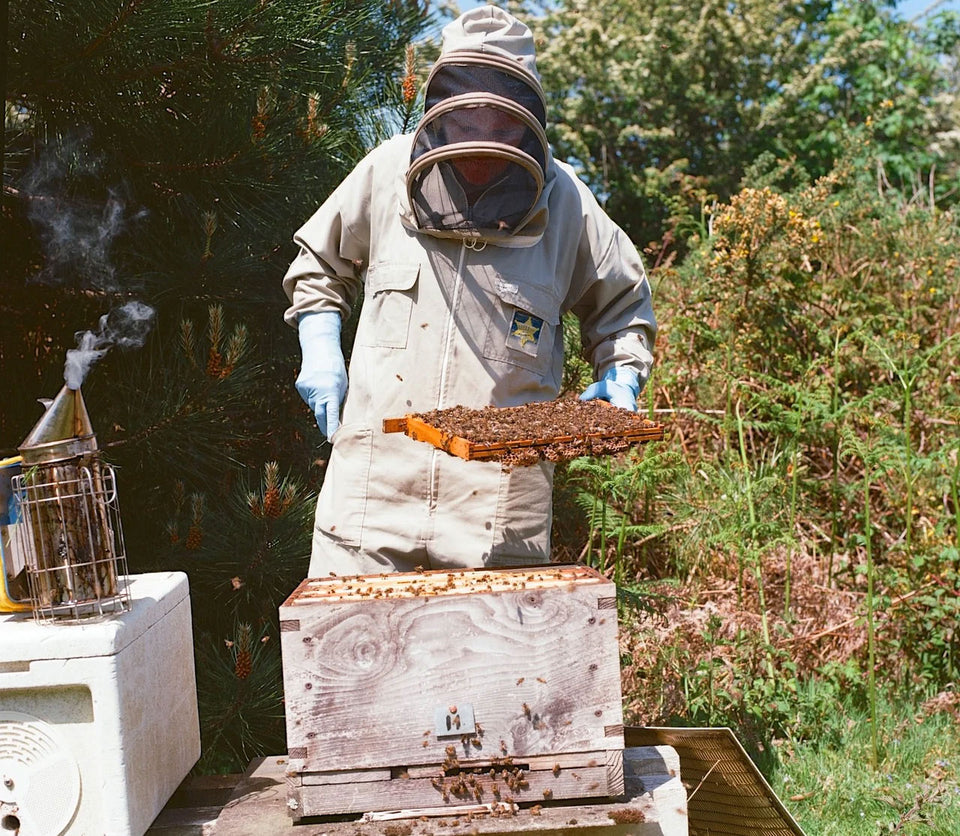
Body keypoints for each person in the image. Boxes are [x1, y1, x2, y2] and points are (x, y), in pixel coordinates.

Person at [283, 4, 656, 578]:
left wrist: (624, 374)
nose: (483, 140)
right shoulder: (385, 173)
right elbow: (319, 264)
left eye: (501, 124)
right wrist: (320, 343)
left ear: (527, 118)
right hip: (368, 508)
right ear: (440, 111)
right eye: (467, 121)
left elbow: (624, 305)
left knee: (492, 669)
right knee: (349, 662)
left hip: (498, 518)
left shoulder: (569, 205)